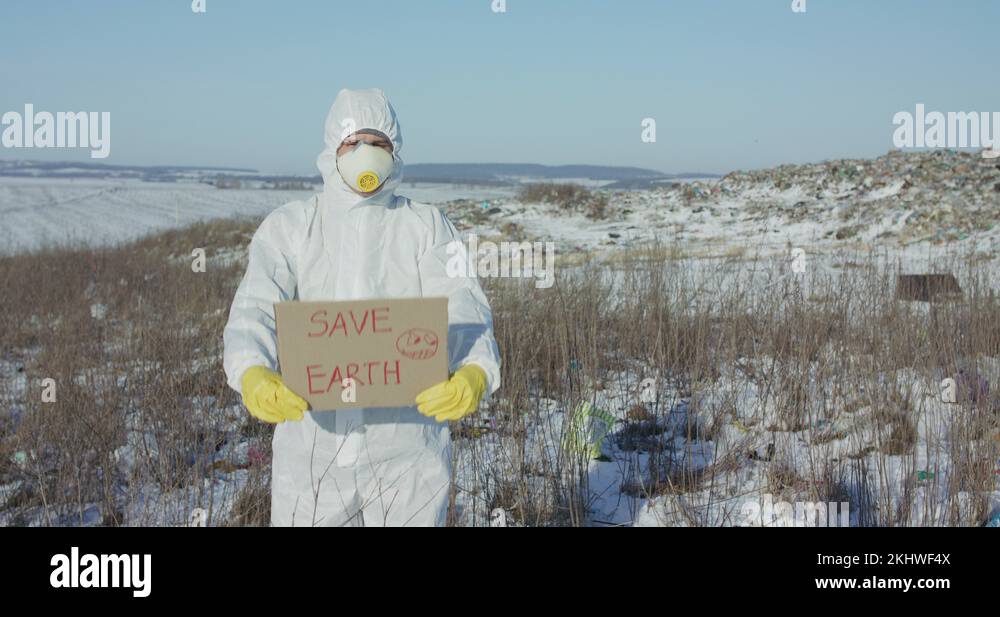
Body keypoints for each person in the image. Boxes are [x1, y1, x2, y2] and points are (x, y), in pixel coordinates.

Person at [223, 88, 501, 526]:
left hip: (407, 450)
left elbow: (463, 306)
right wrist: (252, 371)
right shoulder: (292, 228)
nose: (366, 153)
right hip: (312, 451)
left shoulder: (425, 227)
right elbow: (256, 305)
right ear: (332, 149)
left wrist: (475, 370)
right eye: (353, 143)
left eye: (379, 144)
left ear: (396, 152)